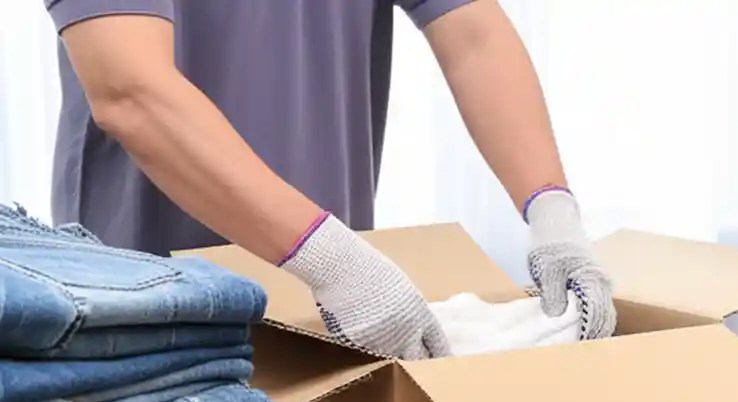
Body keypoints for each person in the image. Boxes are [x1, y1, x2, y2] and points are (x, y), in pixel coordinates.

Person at [42, 0, 616, 360]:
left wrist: (551, 210)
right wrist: (336, 261)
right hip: (149, 316)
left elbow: (473, 34)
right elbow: (128, 90)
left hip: (327, 311)